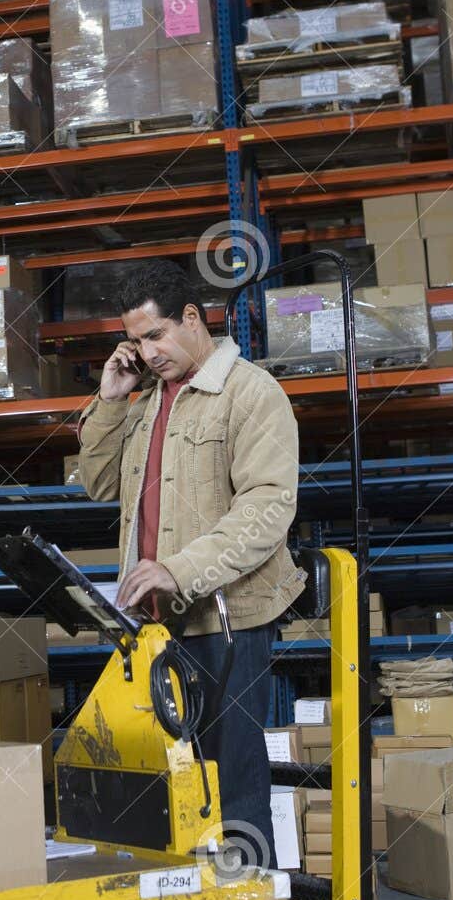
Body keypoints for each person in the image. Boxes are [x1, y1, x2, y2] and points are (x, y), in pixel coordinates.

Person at [77, 258, 304, 866]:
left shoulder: (250, 392)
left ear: (192, 318)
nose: (148, 354)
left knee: (233, 777)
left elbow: (268, 507)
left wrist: (180, 569)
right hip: (153, 626)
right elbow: (98, 485)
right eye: (136, 342)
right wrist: (108, 401)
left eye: (157, 336)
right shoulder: (146, 401)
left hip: (225, 621)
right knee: (169, 781)